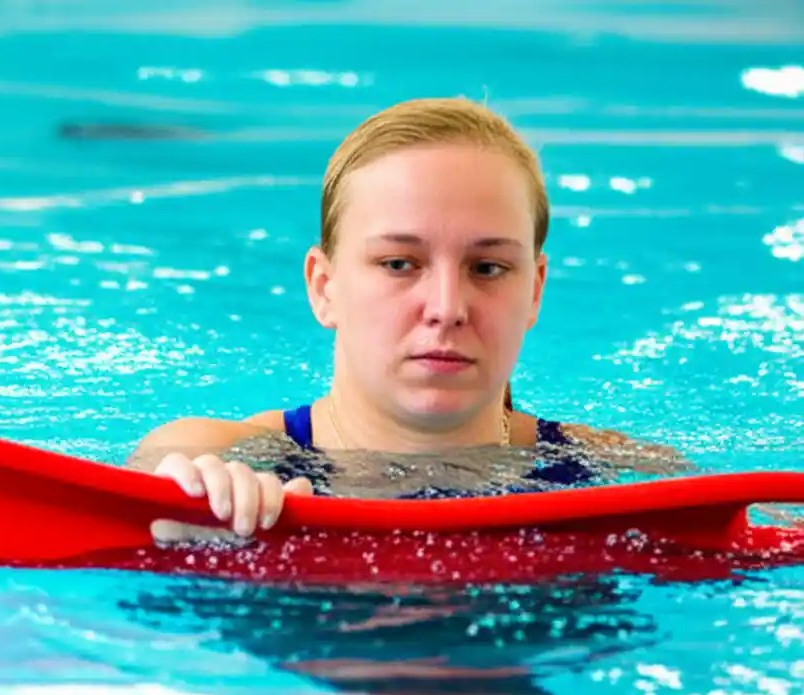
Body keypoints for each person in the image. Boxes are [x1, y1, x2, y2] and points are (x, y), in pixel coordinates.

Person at [125, 97, 684, 539]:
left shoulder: (626, 477)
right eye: (399, 263)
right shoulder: (219, 456)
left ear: (534, 291)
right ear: (325, 287)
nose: (446, 308)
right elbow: (142, 484)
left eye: (488, 268)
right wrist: (188, 498)